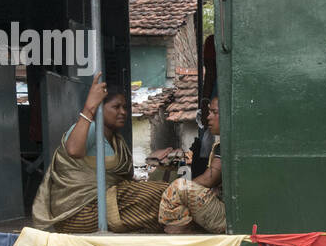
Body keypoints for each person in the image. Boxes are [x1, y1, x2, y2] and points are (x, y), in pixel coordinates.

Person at [30, 73, 166, 232]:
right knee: (164, 194)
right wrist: (89, 108)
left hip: (104, 204)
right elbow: (73, 150)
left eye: (125, 107)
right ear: (100, 108)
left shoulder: (116, 140)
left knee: (162, 199)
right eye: (116, 107)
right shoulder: (90, 128)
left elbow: (123, 179)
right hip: (80, 212)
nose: (123, 112)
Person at [158, 95, 226, 233]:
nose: (208, 117)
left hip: (225, 217)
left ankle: (181, 233)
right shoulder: (223, 143)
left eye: (215, 112)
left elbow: (208, 180)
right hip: (223, 210)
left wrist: (185, 189)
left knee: (177, 188)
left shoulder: (227, 145)